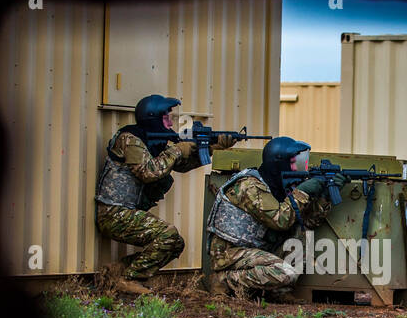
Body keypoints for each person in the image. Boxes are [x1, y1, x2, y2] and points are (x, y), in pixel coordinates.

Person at [95, 94, 233, 293]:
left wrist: (212, 147)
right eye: (166, 117)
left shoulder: (155, 142)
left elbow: (180, 166)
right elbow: (149, 172)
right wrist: (177, 150)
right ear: (153, 117)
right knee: (168, 235)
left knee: (175, 243)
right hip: (113, 213)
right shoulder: (130, 139)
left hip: (126, 212)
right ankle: (128, 280)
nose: (171, 122)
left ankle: (118, 271)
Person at [205, 136, 346, 298]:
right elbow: (280, 220)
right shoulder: (249, 186)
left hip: (256, 248)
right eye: (292, 163)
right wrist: (302, 192)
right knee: (285, 272)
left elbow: (308, 221)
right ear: (278, 163)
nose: (296, 168)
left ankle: (279, 293)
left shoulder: (279, 185)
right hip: (230, 255)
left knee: (302, 233)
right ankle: (224, 281)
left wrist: (326, 196)